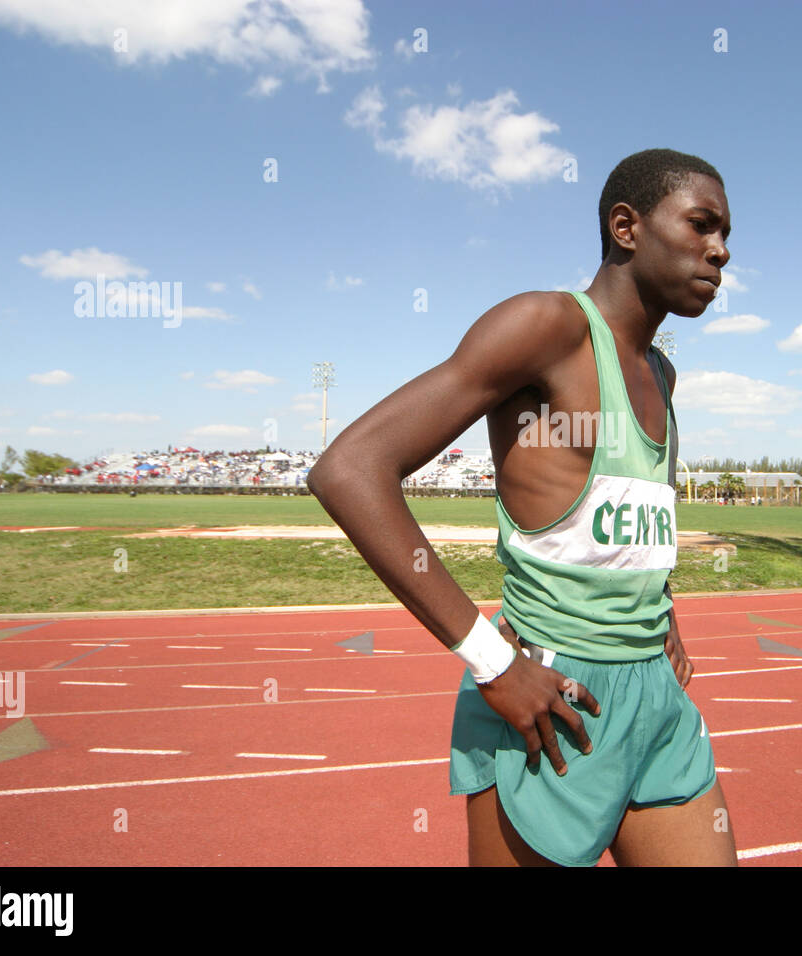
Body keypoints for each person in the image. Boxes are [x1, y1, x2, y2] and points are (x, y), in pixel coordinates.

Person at [307, 149, 736, 867]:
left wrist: (662, 611)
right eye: (703, 225)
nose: (720, 251)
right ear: (625, 227)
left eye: (726, 235)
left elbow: (625, 511)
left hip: (655, 701)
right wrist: (494, 663)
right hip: (550, 699)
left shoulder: (662, 371)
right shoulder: (546, 327)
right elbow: (350, 469)